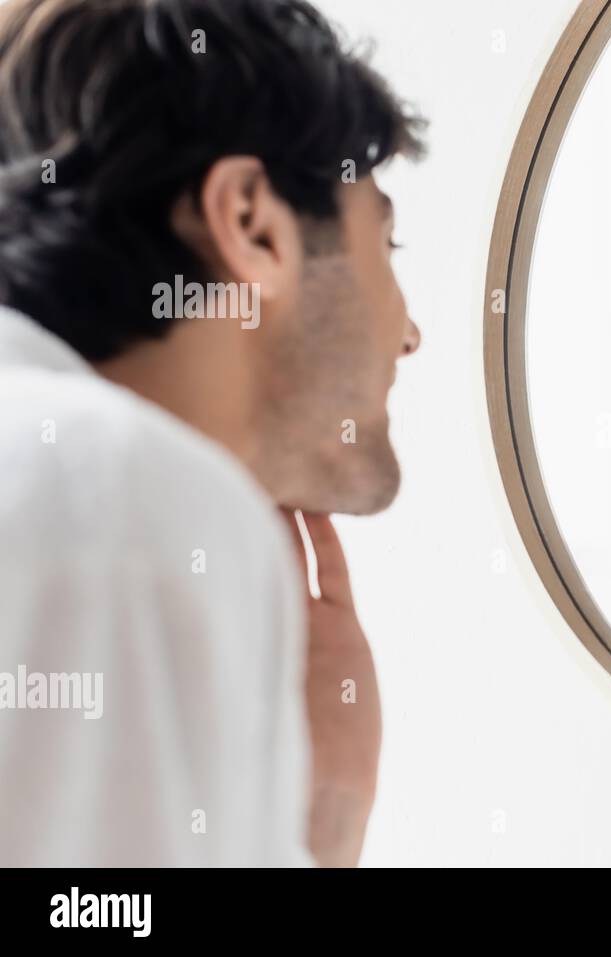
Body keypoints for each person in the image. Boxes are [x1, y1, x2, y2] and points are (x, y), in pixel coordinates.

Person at [0, 0, 425, 864]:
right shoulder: (116, 494)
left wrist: (318, 823)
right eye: (387, 239)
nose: (409, 331)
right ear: (251, 224)